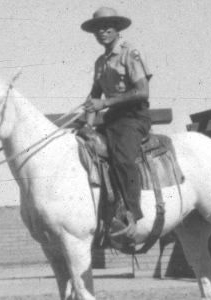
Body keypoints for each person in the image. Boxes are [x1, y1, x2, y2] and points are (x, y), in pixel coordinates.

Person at [80, 7, 153, 240]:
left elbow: (142, 91)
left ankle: (130, 215)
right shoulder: (100, 62)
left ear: (117, 28)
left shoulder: (129, 53)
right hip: (112, 120)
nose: (102, 32)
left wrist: (105, 103)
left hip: (133, 117)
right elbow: (94, 98)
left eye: (107, 27)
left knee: (122, 158)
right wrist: (87, 126)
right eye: (97, 29)